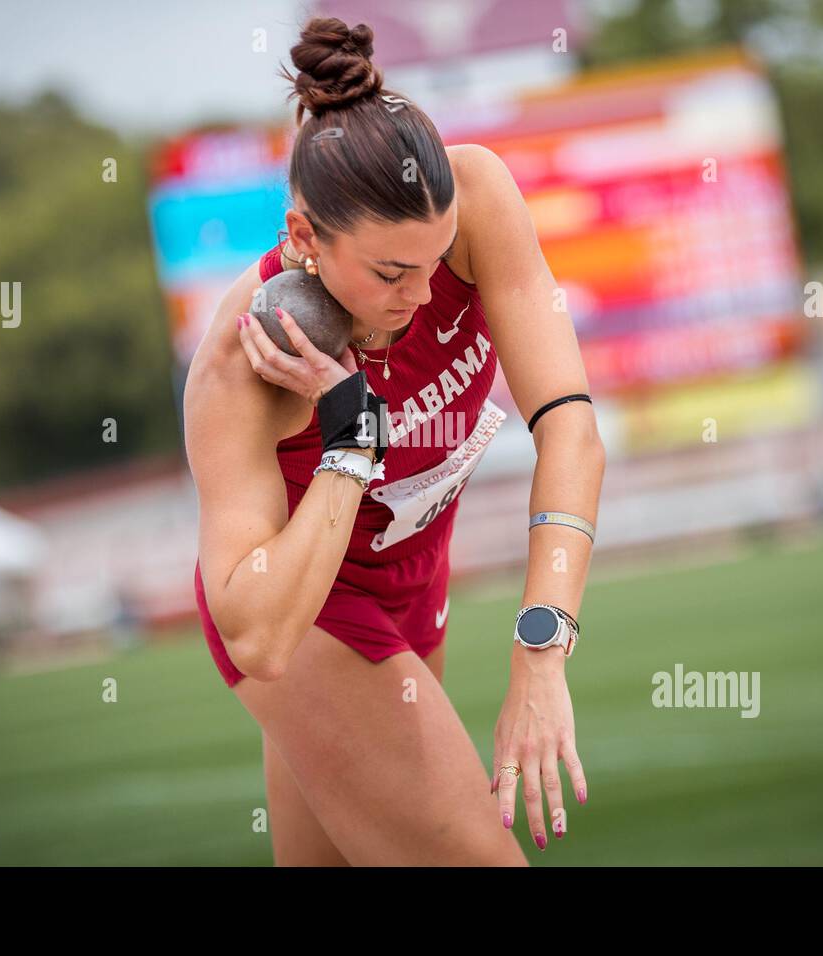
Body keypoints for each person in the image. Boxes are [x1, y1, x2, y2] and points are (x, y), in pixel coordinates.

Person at [185, 16, 604, 865]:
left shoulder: (478, 192)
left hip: (418, 585)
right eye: (387, 273)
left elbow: (572, 431)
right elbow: (258, 637)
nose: (419, 297)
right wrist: (351, 434)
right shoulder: (245, 361)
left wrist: (542, 651)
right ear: (303, 236)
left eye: (436, 261)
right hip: (306, 612)